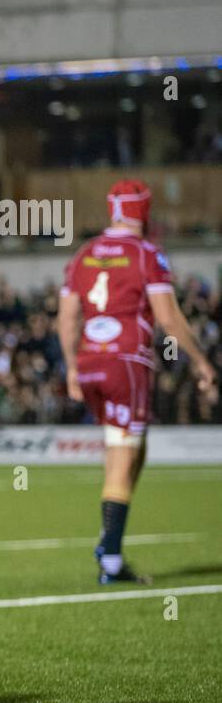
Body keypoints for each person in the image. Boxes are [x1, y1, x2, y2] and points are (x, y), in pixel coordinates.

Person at [58, 179, 216, 584]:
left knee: (128, 447)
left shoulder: (84, 254)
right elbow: (168, 319)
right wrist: (200, 362)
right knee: (123, 460)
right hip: (125, 362)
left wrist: (72, 367)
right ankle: (110, 558)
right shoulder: (147, 254)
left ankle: (109, 540)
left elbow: (68, 317)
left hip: (92, 363)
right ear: (143, 211)